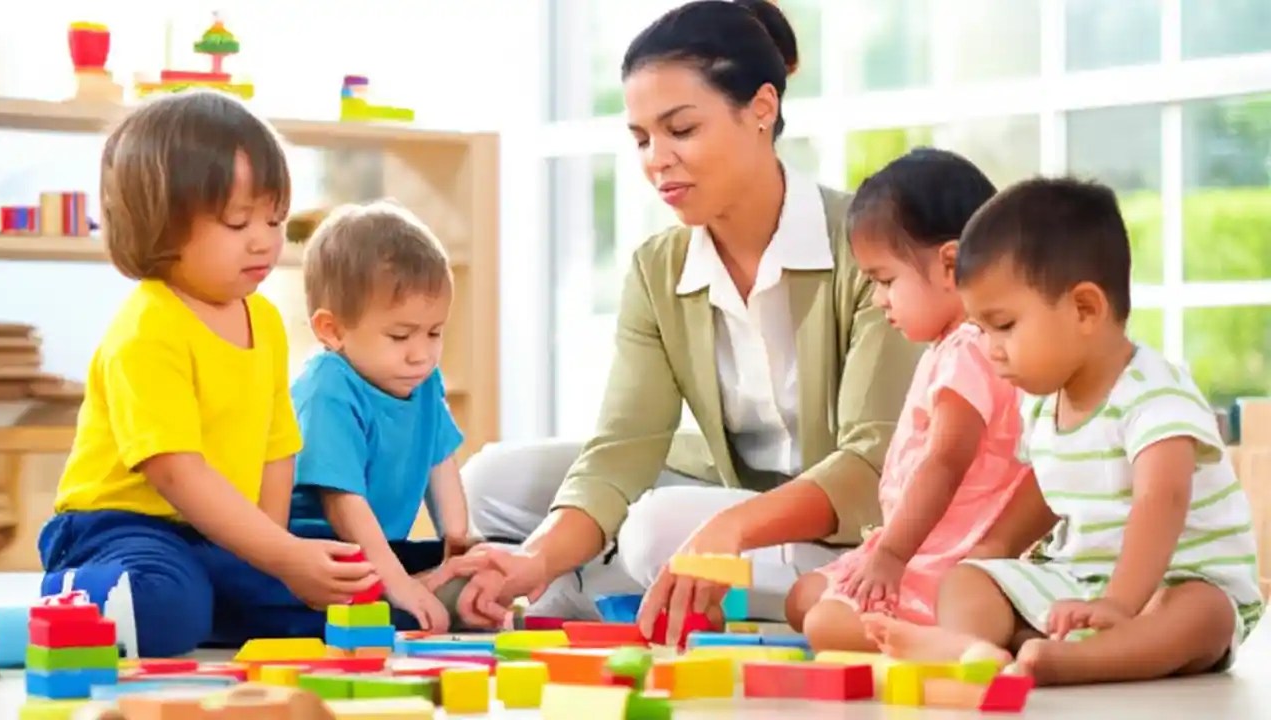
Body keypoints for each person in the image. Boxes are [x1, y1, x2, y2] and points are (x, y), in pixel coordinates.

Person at [444, 0, 923, 645]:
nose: (656, 160)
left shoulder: (866, 246)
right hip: (722, 495)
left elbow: (870, 465)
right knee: (492, 480)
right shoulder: (658, 267)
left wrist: (729, 530)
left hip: (849, 519)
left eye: (681, 130)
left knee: (654, 525)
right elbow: (623, 445)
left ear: (761, 109)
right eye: (642, 138)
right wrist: (535, 554)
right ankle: (574, 581)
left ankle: (621, 583)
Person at [862, 177, 1265, 686]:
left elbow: (1161, 499)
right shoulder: (1042, 403)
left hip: (1177, 579)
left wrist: (1122, 601)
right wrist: (996, 548)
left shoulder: (1154, 391)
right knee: (968, 579)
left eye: (1003, 326)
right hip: (1080, 578)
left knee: (1199, 615)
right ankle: (973, 649)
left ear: (1085, 309)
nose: (991, 350)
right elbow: (1045, 491)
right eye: (981, 331)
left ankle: (1071, 662)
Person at [36, 90, 377, 658]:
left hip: (213, 533)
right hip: (118, 527)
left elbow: (276, 447)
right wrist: (277, 557)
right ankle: (68, 597)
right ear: (161, 226)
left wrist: (272, 553)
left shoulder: (263, 320)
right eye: (238, 220)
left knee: (338, 596)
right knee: (166, 606)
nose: (264, 239)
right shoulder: (148, 327)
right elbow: (177, 473)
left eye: (274, 217)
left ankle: (215, 602)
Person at [788, 149, 1042, 652]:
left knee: (821, 624)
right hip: (918, 548)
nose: (881, 299)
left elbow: (945, 462)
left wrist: (892, 555)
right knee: (802, 598)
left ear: (950, 265)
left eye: (886, 280)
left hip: (945, 557)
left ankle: (946, 638)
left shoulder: (970, 351)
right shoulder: (953, 348)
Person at [282, 201, 472, 634]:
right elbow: (342, 503)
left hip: (379, 549)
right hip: (322, 556)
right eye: (400, 335)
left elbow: (441, 466)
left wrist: (458, 555)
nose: (421, 353)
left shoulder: (422, 381)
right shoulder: (328, 386)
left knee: (482, 570)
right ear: (332, 330)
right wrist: (401, 584)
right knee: (398, 612)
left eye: (434, 333)